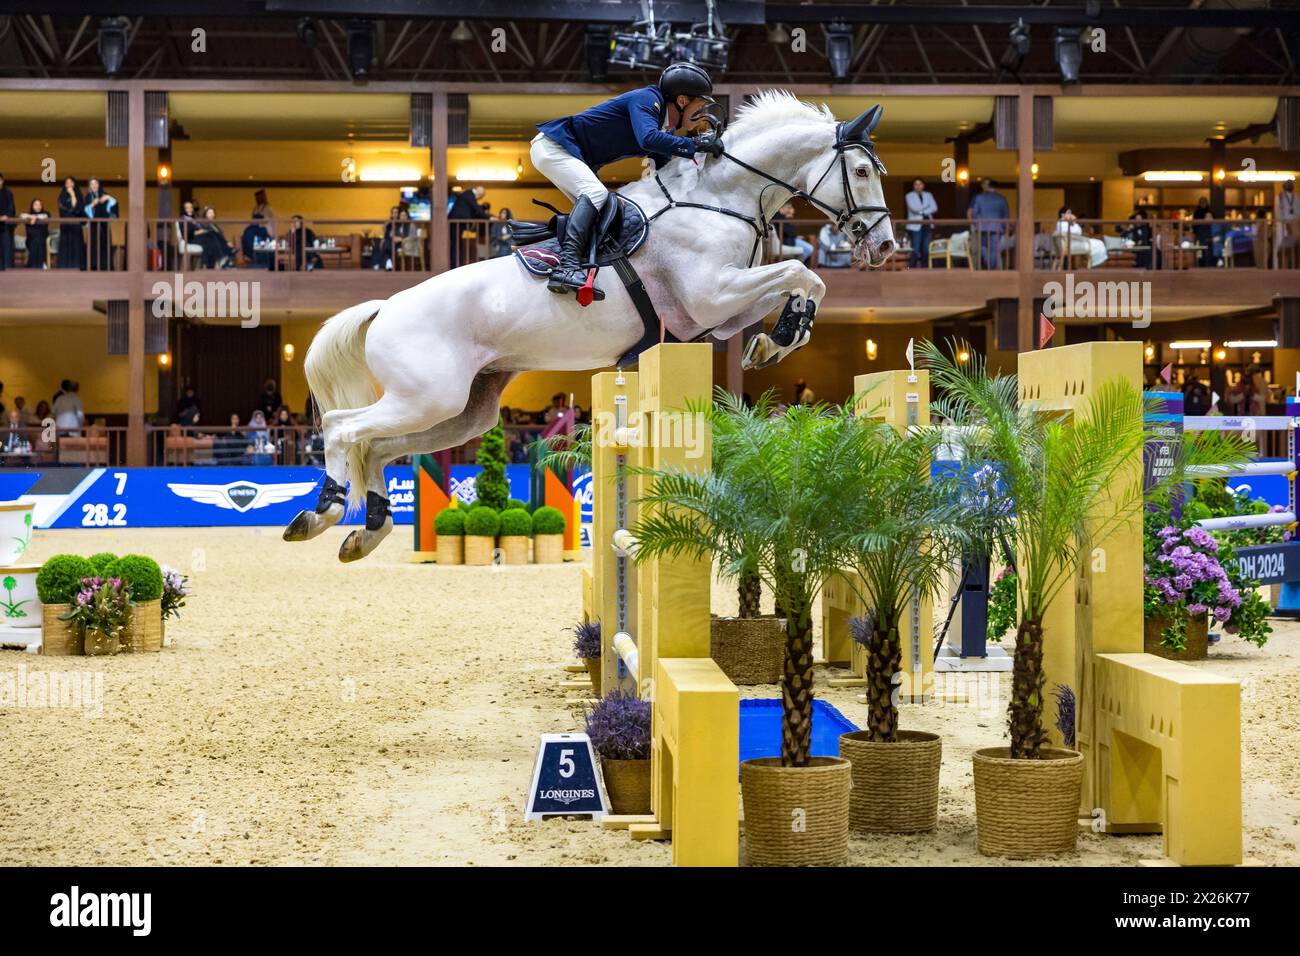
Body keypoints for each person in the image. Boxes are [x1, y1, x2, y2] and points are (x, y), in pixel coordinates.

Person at [531, 61, 718, 296]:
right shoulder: (647, 99)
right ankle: (567, 268)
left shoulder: (663, 129)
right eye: (700, 106)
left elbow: (663, 174)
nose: (703, 114)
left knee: (604, 213)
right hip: (554, 146)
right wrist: (696, 144)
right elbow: (648, 139)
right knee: (596, 194)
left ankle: (582, 266)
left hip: (565, 152)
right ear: (682, 101)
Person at [968, 178, 1009, 270]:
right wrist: (1005, 229)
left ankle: (987, 263)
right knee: (994, 249)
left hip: (981, 227)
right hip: (996, 227)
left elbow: (974, 212)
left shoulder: (979, 197)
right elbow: (1006, 215)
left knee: (983, 247)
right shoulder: (1002, 199)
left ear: (988, 186)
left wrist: (976, 223)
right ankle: (991, 267)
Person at [84, 176, 118, 271]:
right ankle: (94, 266)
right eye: (92, 184)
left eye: (95, 183)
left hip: (104, 225)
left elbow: (114, 206)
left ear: (99, 185)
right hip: (93, 226)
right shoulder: (88, 197)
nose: (94, 185)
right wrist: (93, 204)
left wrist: (108, 197)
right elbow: (85, 210)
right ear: (89, 186)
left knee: (105, 245)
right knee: (94, 246)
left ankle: (106, 266)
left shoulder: (104, 195)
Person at [448, 186, 488, 267]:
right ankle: (454, 265)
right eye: (481, 196)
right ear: (479, 193)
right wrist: (489, 217)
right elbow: (477, 210)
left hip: (458, 225)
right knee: (455, 245)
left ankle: (456, 264)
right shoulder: (469, 194)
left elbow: (475, 211)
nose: (479, 198)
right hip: (455, 224)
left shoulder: (469, 195)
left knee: (457, 244)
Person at [905, 178, 937, 268]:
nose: (918, 186)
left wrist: (922, 212)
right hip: (915, 226)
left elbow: (934, 207)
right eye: (916, 184)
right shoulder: (909, 195)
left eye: (920, 184)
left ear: (923, 185)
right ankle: (912, 269)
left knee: (926, 250)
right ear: (913, 186)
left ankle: (925, 270)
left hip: (928, 224)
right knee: (915, 250)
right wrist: (927, 207)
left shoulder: (928, 195)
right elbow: (914, 208)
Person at [56, 177, 85, 270]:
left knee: (76, 244)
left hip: (76, 225)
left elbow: (78, 209)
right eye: (67, 182)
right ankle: (64, 266)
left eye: (71, 182)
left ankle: (77, 265)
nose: (68, 184)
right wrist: (71, 212)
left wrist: (73, 195)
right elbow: (63, 210)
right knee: (65, 244)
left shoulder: (79, 196)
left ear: (74, 184)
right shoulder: (62, 196)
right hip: (65, 225)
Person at [1275, 179, 1299, 268]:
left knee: (1293, 249)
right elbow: (1278, 213)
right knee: (1284, 250)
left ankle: (1292, 267)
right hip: (1285, 226)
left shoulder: (1297, 198)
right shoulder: (1279, 198)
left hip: (1293, 226)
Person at [21, 199, 50, 269]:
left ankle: (40, 263)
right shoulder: (28, 214)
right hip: (30, 238)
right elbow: (22, 215)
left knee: (38, 239)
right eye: (36, 205)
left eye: (39, 205)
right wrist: (32, 216)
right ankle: (35, 264)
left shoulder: (46, 213)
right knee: (34, 239)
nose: (38, 206)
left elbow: (44, 216)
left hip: (42, 237)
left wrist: (34, 217)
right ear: (32, 206)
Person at [1191, 196, 1214, 267]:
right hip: (1200, 234)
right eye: (1201, 203)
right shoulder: (1197, 212)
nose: (1203, 204)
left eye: (1204, 203)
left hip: (1210, 237)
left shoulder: (1210, 211)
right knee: (1201, 249)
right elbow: (1194, 225)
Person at [0, 172, 15, 269]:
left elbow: (11, 208)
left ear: (2, 181)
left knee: (6, 248)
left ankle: (7, 269)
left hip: (5, 225)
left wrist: (6, 216)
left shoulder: (8, 193)